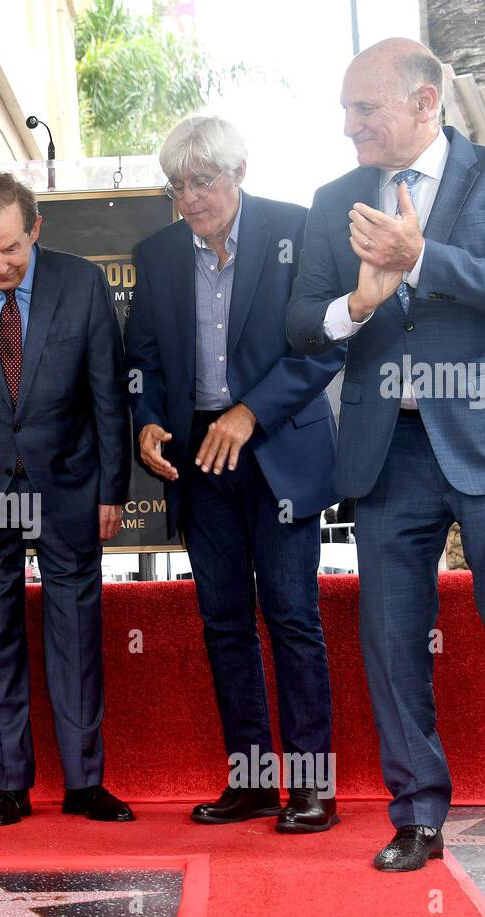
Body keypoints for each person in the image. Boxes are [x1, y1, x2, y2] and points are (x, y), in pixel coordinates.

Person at [286, 38, 485, 871]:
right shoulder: (335, 199)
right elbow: (302, 321)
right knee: (390, 638)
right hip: (391, 452)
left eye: (364, 109)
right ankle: (416, 814)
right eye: (346, 110)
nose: (348, 126)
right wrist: (358, 300)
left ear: (425, 103)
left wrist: (420, 257)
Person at [125, 116, 347, 832]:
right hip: (199, 463)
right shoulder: (155, 254)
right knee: (223, 622)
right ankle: (251, 782)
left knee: (290, 614)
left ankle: (313, 787)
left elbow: (322, 349)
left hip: (278, 452)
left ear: (239, 171)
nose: (191, 197)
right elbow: (144, 362)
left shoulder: (300, 228)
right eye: (178, 185)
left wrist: (249, 412)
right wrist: (149, 421)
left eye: (204, 180)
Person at [0, 173, 133, 826]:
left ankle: (85, 782)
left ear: (35, 229)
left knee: (76, 634)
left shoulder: (82, 283)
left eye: (9, 247)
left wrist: (111, 489)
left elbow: (108, 396)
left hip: (67, 480)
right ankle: (10, 781)